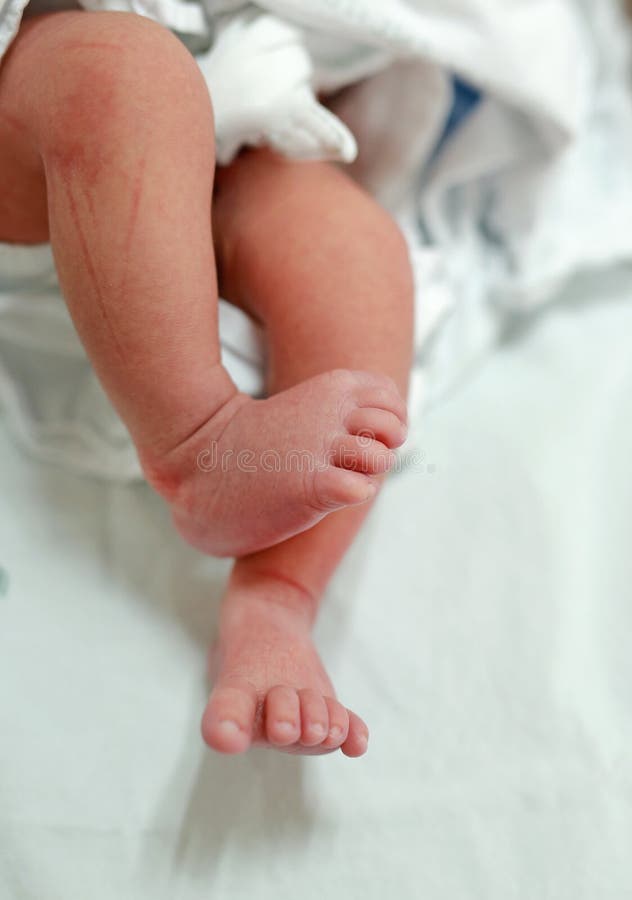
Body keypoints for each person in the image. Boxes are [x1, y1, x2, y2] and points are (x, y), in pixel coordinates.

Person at [0, 9, 414, 756]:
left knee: (353, 248)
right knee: (120, 72)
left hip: (250, 113)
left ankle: (277, 595)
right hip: (38, 90)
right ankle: (197, 442)